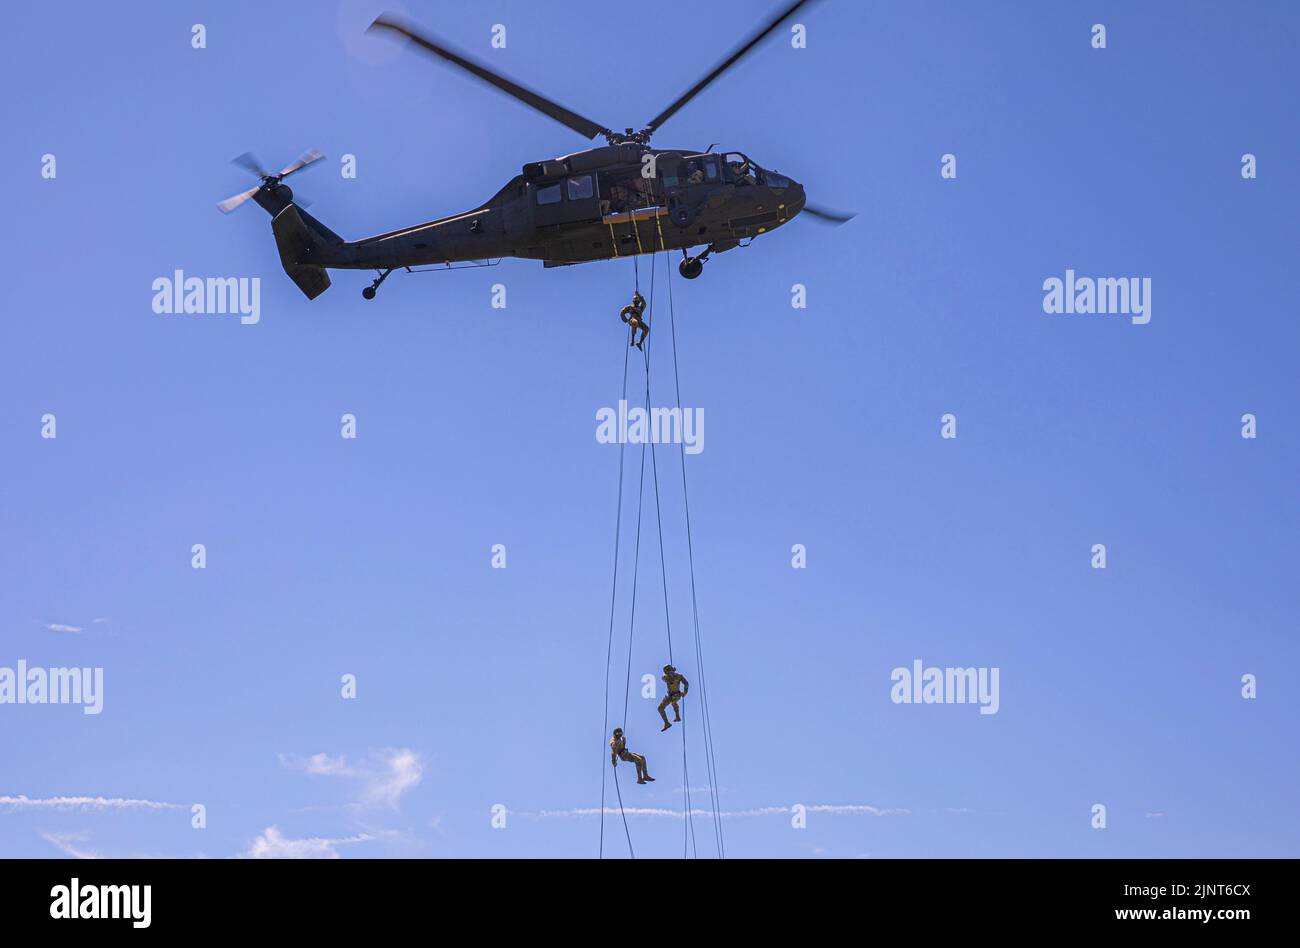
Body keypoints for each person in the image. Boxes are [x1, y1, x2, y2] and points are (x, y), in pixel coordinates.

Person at [657, 664, 690, 731]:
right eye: (667, 672)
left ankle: (677, 716)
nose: (669, 673)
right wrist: (669, 677)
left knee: (673, 701)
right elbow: (663, 678)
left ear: (672, 670)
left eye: (669, 671)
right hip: (669, 695)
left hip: (677, 694)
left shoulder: (679, 676)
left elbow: (686, 683)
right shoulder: (666, 677)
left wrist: (684, 692)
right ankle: (667, 723)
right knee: (660, 708)